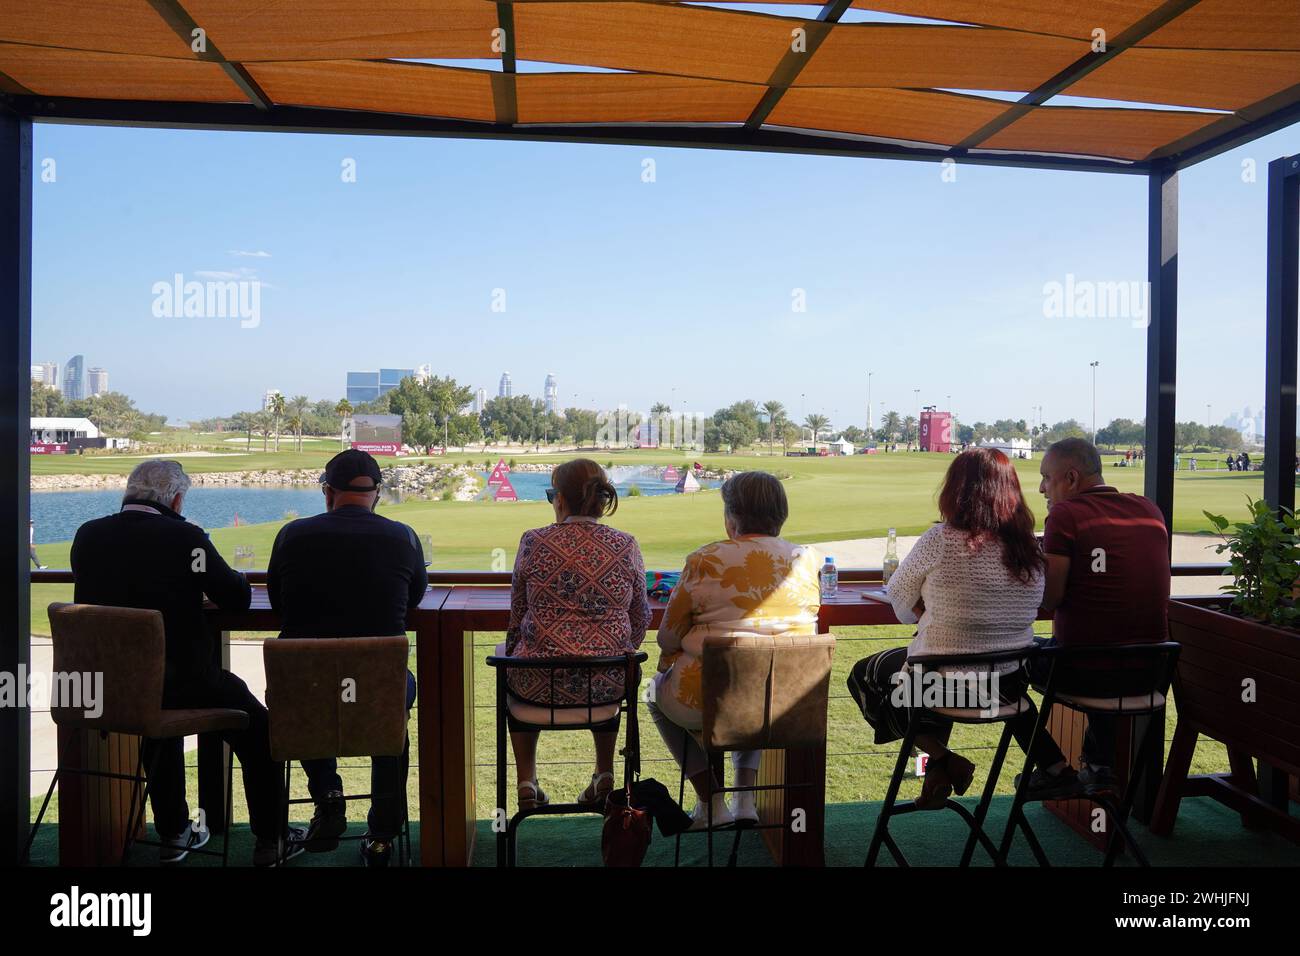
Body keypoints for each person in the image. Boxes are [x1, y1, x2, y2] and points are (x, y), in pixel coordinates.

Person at [70, 460, 298, 866]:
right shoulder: (184, 537)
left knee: (158, 724)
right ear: (176, 498)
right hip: (184, 683)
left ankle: (173, 832)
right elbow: (235, 598)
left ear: (129, 493)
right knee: (260, 729)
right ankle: (272, 839)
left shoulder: (88, 535)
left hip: (111, 687)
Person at [847, 448, 1072, 808]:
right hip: (1006, 690)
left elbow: (900, 601)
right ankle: (1054, 767)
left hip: (940, 690)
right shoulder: (1030, 548)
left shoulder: (940, 539)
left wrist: (924, 614)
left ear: (955, 490)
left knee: (866, 675)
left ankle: (942, 759)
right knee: (931, 674)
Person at [266, 449, 426, 867]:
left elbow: (279, 605)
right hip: (380, 684)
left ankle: (327, 794)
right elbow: (413, 600)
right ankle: (381, 835)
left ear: (327, 493)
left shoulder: (292, 535)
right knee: (393, 716)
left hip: (306, 684)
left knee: (300, 695)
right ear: (376, 494)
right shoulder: (404, 536)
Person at [650, 471, 820, 829]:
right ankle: (744, 799)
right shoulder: (807, 561)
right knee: (757, 680)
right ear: (781, 513)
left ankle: (711, 803)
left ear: (731, 517)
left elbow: (666, 638)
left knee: (654, 695)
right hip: (786, 703)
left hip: (708, 700)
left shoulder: (705, 560)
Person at [503, 459, 648, 811]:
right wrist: (614, 648)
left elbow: (518, 613)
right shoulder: (626, 545)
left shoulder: (533, 541)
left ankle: (526, 781)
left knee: (515, 663)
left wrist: (514, 649)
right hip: (607, 682)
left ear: (561, 500)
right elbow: (640, 617)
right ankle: (604, 774)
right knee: (613, 671)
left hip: (537, 683)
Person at [1036, 438, 1170, 794]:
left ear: (1071, 477)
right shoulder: (1149, 509)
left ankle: (1052, 767)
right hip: (1151, 674)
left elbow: (1051, 598)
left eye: (1047, 478)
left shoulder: (1065, 515)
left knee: (1008, 665)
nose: (1041, 489)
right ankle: (1097, 763)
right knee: (1103, 640)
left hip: (1086, 673)